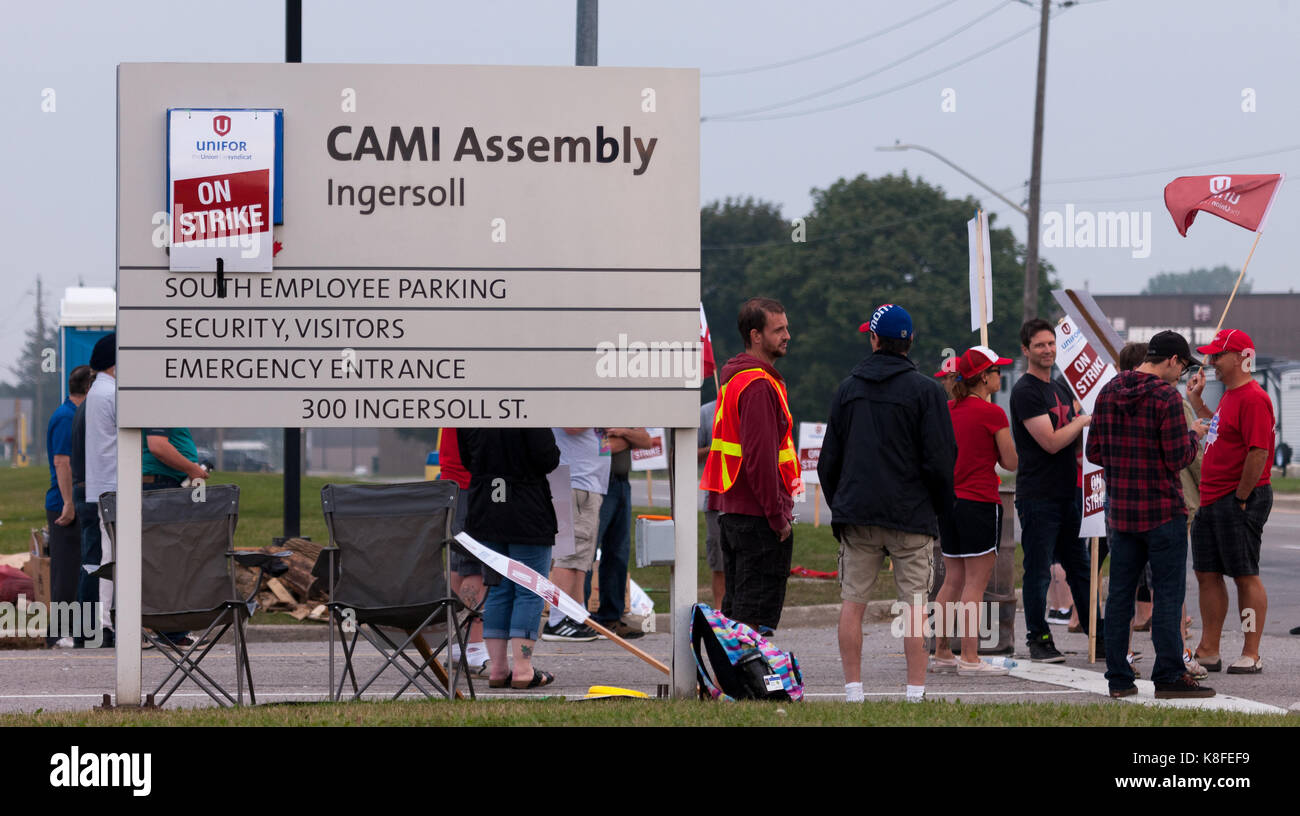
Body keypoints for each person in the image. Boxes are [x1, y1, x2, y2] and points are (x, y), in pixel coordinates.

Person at [818, 304, 956, 703]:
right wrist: (939, 508)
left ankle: (853, 691)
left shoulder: (847, 389)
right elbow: (942, 459)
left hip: (857, 515)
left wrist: (840, 505)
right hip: (911, 516)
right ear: (910, 341)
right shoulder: (928, 391)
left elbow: (830, 459)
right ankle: (915, 693)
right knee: (914, 607)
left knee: (852, 602)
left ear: (874, 340)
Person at [1087, 331, 1213, 699]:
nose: (1181, 373)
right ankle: (1169, 676)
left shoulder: (1109, 391)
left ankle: (1118, 678)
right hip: (1162, 511)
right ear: (1172, 360)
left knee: (1121, 597)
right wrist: (1193, 434)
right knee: (1167, 596)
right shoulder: (1166, 398)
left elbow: (1094, 450)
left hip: (1122, 513)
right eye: (1183, 365)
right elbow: (1178, 457)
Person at [700, 297, 799, 636]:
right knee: (753, 615)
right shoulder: (758, 385)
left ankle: (733, 680)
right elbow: (760, 459)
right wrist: (777, 515)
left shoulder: (736, 379)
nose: (787, 335)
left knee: (738, 608)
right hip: (756, 516)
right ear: (756, 336)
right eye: (779, 329)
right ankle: (745, 683)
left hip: (733, 509)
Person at [1010, 318, 1101, 662]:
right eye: (1039, 345)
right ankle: (1039, 639)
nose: (1047, 350)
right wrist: (1081, 421)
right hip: (1038, 496)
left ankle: (1099, 635)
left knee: (1080, 567)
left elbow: (1075, 442)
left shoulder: (1061, 388)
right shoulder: (1025, 392)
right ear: (1026, 350)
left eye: (1051, 344)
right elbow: (1049, 442)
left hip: (1069, 494)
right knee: (1039, 569)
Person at [1187, 328, 1274, 675]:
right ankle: (1209, 648)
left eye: (1217, 356)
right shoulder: (1230, 396)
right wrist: (1197, 403)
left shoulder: (1253, 397)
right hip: (1211, 497)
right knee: (1207, 572)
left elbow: (1258, 451)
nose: (1210, 363)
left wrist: (1241, 497)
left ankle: (1251, 651)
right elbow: (1222, 431)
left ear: (1240, 358)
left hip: (1237, 497)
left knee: (1244, 573)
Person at [930, 347, 1016, 676]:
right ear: (983, 377)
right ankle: (969, 657)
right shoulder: (992, 414)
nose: (999, 376)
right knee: (975, 585)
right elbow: (1010, 462)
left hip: (949, 503)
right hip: (979, 501)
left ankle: (942, 653)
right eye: (995, 371)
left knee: (951, 580)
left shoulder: (948, 409)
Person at [458, 427, 561, 689]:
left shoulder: (474, 408)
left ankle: (498, 668)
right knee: (529, 589)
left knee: (498, 588)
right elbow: (547, 458)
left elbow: (466, 459)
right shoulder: (528, 406)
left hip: (485, 506)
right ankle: (523, 669)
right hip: (526, 507)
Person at [544, 428, 608, 641]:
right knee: (567, 556)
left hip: (589, 484)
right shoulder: (576, 400)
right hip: (575, 482)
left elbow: (608, 444)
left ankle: (577, 616)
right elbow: (572, 427)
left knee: (582, 560)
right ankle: (556, 620)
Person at [44, 365, 92, 647]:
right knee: (66, 569)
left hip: (69, 500)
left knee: (76, 567)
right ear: (87, 388)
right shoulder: (66, 418)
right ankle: (59, 633)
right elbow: (62, 461)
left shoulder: (75, 415)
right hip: (64, 504)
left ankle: (77, 630)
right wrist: (69, 502)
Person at [590, 427, 652, 638]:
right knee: (588, 551)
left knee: (618, 552)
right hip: (597, 482)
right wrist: (628, 439)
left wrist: (622, 432)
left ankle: (611, 617)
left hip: (622, 483)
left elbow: (646, 440)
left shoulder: (624, 411)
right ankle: (581, 617)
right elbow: (599, 448)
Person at [438, 428, 489, 675]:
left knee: (459, 565)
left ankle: (458, 643)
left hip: (455, 482)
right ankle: (473, 645)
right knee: (477, 566)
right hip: (471, 482)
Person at [83, 333, 117, 644]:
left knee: (108, 552)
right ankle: (105, 620)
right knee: (114, 555)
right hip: (115, 484)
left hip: (101, 483)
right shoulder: (113, 394)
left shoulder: (96, 392)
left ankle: (103, 619)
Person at [69, 369, 101, 646]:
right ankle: (91, 630)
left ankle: (85, 629)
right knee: (96, 562)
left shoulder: (82, 409)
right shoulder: (94, 408)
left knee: (90, 561)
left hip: (83, 487)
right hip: (93, 489)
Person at [697, 399, 725, 608]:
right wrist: (714, 446)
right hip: (716, 498)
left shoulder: (751, 404)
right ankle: (720, 614)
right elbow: (688, 453)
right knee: (720, 563)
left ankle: (744, 617)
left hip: (749, 500)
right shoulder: (706, 412)